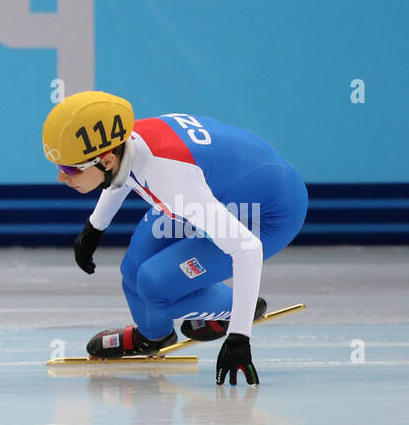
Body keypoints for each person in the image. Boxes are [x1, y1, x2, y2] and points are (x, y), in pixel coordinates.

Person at [43, 91, 308, 385]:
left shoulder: (170, 179)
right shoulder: (125, 144)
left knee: (156, 283)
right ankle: (154, 336)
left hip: (266, 215)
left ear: (105, 160)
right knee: (133, 270)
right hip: (217, 191)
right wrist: (95, 227)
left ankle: (236, 306)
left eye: (69, 168)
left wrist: (238, 337)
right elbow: (120, 177)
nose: (61, 177)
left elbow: (247, 249)